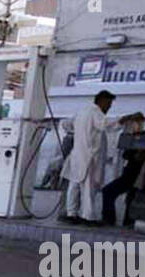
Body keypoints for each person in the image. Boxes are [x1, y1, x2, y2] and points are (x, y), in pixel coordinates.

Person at [60, 90, 140, 225]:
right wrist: (127, 118)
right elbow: (105, 124)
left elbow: (66, 124)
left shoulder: (82, 112)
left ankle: (71, 213)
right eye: (108, 104)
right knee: (88, 188)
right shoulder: (95, 112)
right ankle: (88, 217)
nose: (109, 108)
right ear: (101, 101)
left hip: (78, 157)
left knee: (74, 185)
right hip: (89, 158)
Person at [101, 107, 145, 227]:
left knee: (110, 192)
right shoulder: (142, 135)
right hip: (132, 173)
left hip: (135, 174)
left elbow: (135, 156)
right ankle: (126, 222)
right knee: (129, 198)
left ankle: (111, 220)